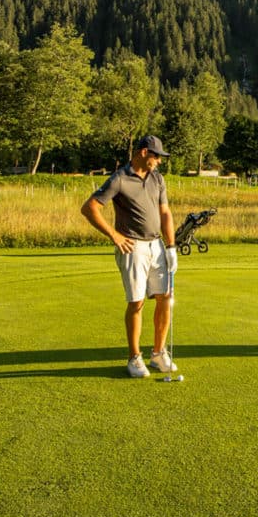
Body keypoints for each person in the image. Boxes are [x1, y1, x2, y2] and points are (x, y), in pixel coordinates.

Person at [81, 134, 179, 377]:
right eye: (157, 156)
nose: (159, 161)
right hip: (132, 247)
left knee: (165, 297)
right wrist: (114, 235)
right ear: (144, 153)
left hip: (157, 245)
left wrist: (171, 246)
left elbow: (165, 213)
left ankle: (158, 353)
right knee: (136, 302)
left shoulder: (157, 178)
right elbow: (89, 208)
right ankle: (134, 358)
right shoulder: (120, 178)